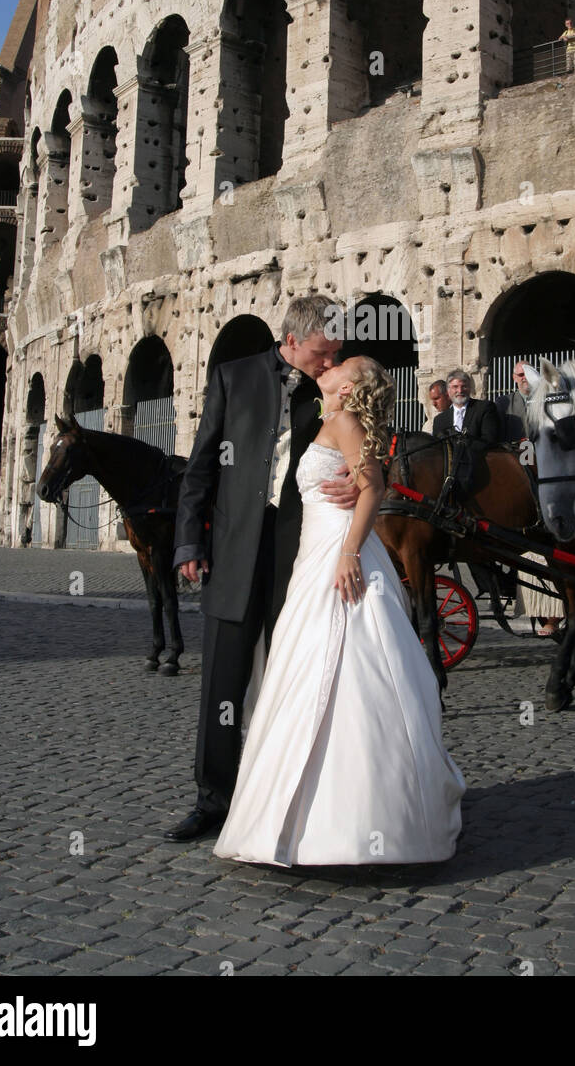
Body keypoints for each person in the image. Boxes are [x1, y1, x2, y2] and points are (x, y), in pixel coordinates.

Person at [213, 356, 465, 866]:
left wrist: (350, 549)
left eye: (337, 366)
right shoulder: (325, 416)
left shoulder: (345, 420)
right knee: (298, 666)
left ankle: (357, 820)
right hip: (314, 550)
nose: (325, 366)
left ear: (348, 388)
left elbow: (372, 487)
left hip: (338, 551)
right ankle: (291, 816)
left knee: (357, 664)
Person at [164, 295, 355, 843]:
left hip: (299, 552)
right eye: (322, 352)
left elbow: (365, 442)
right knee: (223, 679)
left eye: (336, 352)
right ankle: (212, 799)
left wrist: (362, 474)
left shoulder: (333, 386)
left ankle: (284, 796)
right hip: (232, 547)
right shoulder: (232, 376)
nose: (329, 362)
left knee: (291, 677)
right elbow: (201, 466)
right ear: (292, 341)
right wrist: (187, 542)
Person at [431, 370, 501, 447]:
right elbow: (436, 449)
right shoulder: (439, 420)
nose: (460, 390)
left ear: (470, 388)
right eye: (455, 387)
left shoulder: (484, 408)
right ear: (448, 391)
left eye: (464, 386)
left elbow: (489, 440)